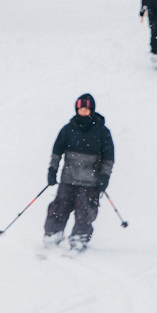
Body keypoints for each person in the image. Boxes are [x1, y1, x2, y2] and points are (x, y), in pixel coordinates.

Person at [44, 93, 114, 252]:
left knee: (85, 210)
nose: (83, 113)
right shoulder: (68, 129)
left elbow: (108, 158)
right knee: (59, 207)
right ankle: (52, 233)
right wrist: (52, 170)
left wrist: (104, 177)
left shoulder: (102, 132)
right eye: (80, 110)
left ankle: (80, 237)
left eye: (86, 110)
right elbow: (56, 153)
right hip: (68, 178)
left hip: (90, 181)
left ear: (92, 110)